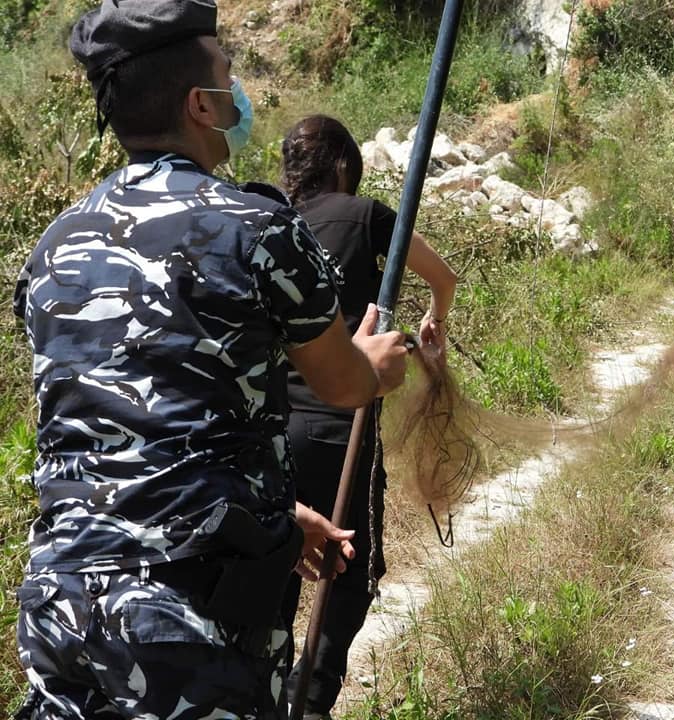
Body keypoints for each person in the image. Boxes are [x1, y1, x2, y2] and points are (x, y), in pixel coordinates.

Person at [12, 3, 409, 719]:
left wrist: (278, 516)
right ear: (202, 105)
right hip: (185, 616)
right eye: (230, 77)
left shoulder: (53, 248)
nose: (239, 95)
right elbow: (341, 381)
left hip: (59, 601)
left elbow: (127, 423)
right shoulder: (257, 226)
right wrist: (377, 363)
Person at [278, 114, 457, 719]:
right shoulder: (367, 215)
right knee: (350, 568)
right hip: (341, 423)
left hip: (272, 432)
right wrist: (434, 321)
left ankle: (268, 690)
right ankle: (312, 700)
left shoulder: (274, 223)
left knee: (277, 559)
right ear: (344, 165)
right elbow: (442, 276)